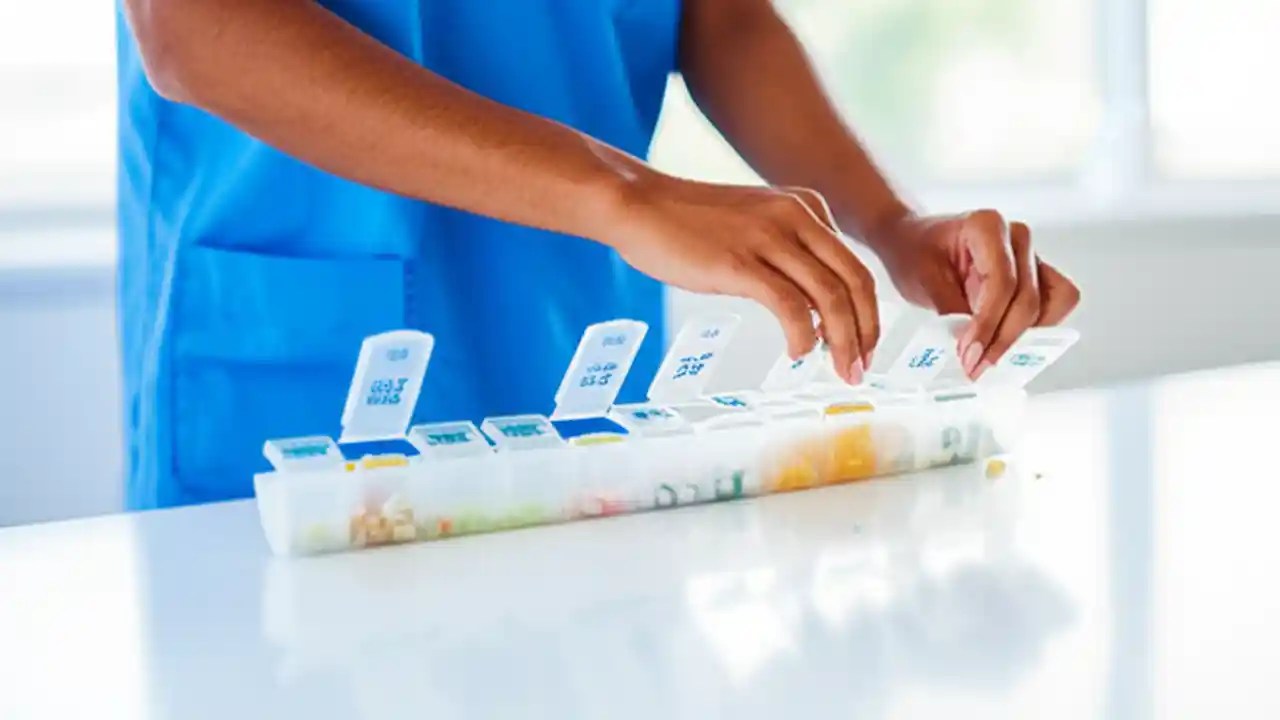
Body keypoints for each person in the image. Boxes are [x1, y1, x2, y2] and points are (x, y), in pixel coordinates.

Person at [117, 0, 1079, 510]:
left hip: (572, 325)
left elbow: (721, 15)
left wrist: (889, 223)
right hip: (309, 342)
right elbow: (191, 25)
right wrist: (625, 196)